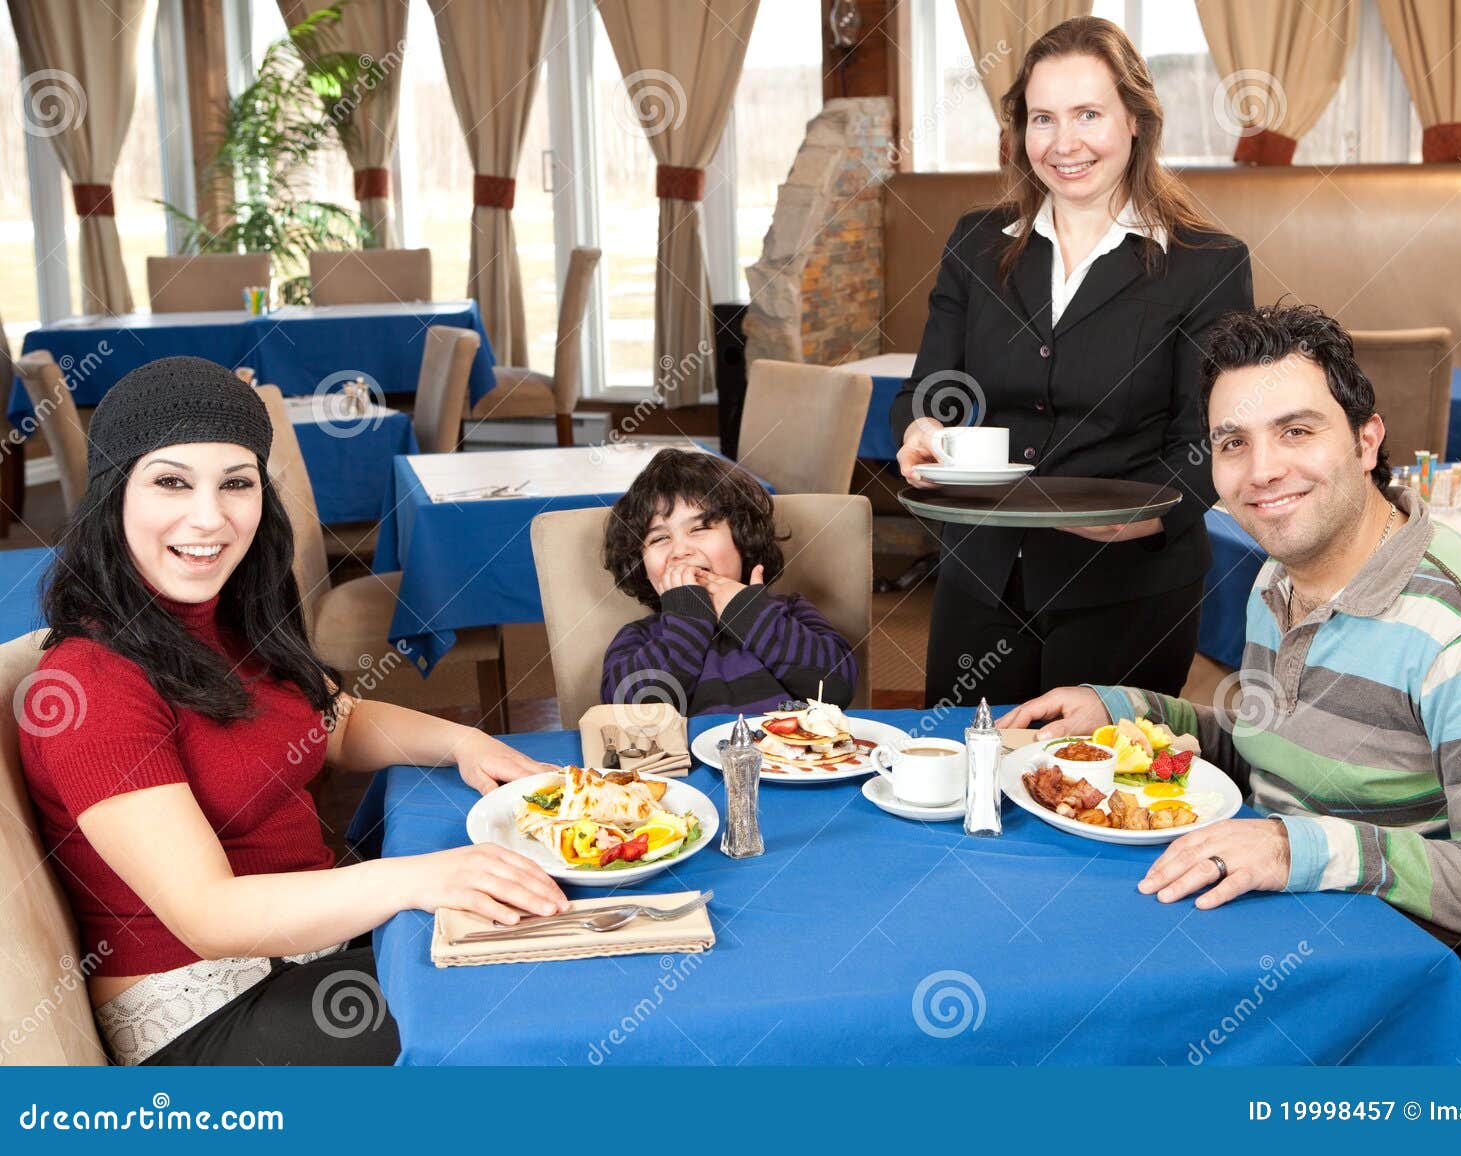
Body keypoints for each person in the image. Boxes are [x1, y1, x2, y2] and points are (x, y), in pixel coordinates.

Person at [999, 306, 1461, 1001]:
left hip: (1396, 992)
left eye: (1296, 432)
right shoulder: (1279, 574)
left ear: (1367, 442)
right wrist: (1122, 713)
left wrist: (1299, 849)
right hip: (1268, 924)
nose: (1263, 471)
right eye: (1233, 443)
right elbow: (1272, 749)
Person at [19, 357, 570, 1066]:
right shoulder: (92, 683)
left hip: (302, 960)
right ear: (111, 496)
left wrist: (462, 741)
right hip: (208, 1015)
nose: (209, 517)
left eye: (236, 483)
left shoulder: (219, 617)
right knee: (528, 1007)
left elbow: (336, 723)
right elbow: (209, 914)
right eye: (171, 481)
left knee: (552, 936)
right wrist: (425, 876)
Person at [892, 15, 1253, 709]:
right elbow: (928, 392)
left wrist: (1141, 518)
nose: (1064, 144)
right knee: (970, 786)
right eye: (1043, 119)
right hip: (982, 580)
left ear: (1137, 121)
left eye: (1089, 114)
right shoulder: (975, 244)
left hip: (1129, 587)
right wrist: (920, 430)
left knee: (1106, 799)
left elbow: (1214, 440)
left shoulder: (1207, 263)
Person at [600, 449, 857, 714]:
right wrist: (686, 623)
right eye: (659, 539)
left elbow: (837, 688)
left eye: (699, 529)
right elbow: (633, 714)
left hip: (786, 753)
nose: (679, 550)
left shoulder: (788, 612)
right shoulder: (639, 638)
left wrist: (750, 614)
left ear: (742, 538)